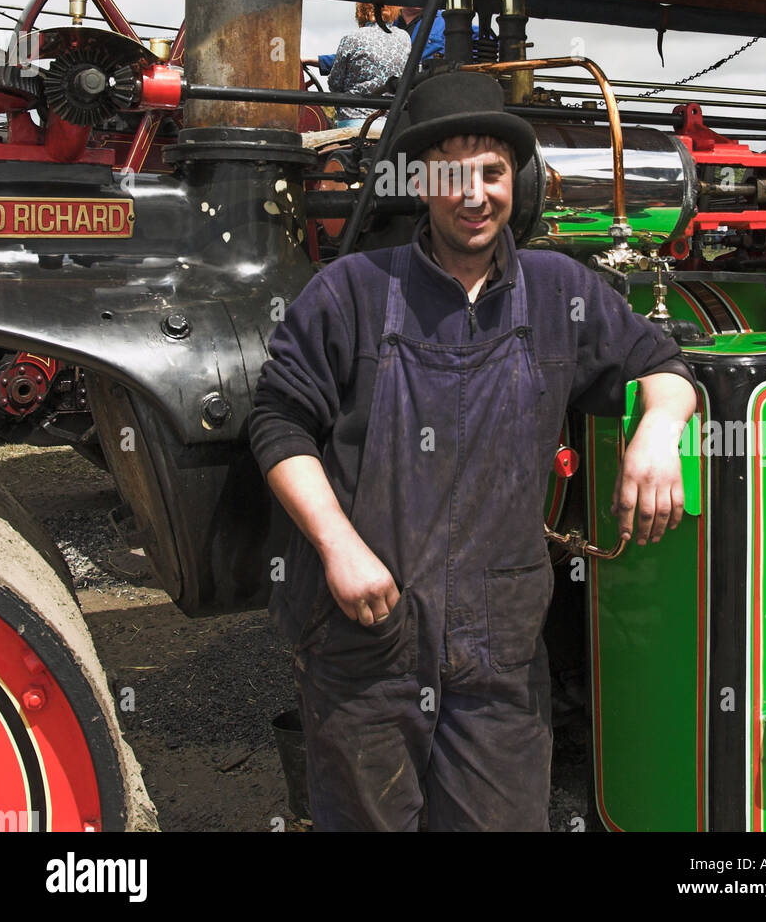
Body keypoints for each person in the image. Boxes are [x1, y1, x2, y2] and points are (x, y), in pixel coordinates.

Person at [249, 71, 696, 832]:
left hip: (501, 645)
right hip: (368, 639)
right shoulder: (351, 290)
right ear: (422, 182)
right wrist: (337, 545)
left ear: (512, 181)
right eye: (454, 175)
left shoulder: (561, 290)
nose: (475, 194)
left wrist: (658, 433)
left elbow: (664, 365)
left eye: (492, 172)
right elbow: (277, 421)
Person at [325, 3, 410, 127]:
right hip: (391, 123)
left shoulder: (352, 37)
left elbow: (335, 82)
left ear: (360, 11)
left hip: (354, 121)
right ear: (394, 10)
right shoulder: (404, 37)